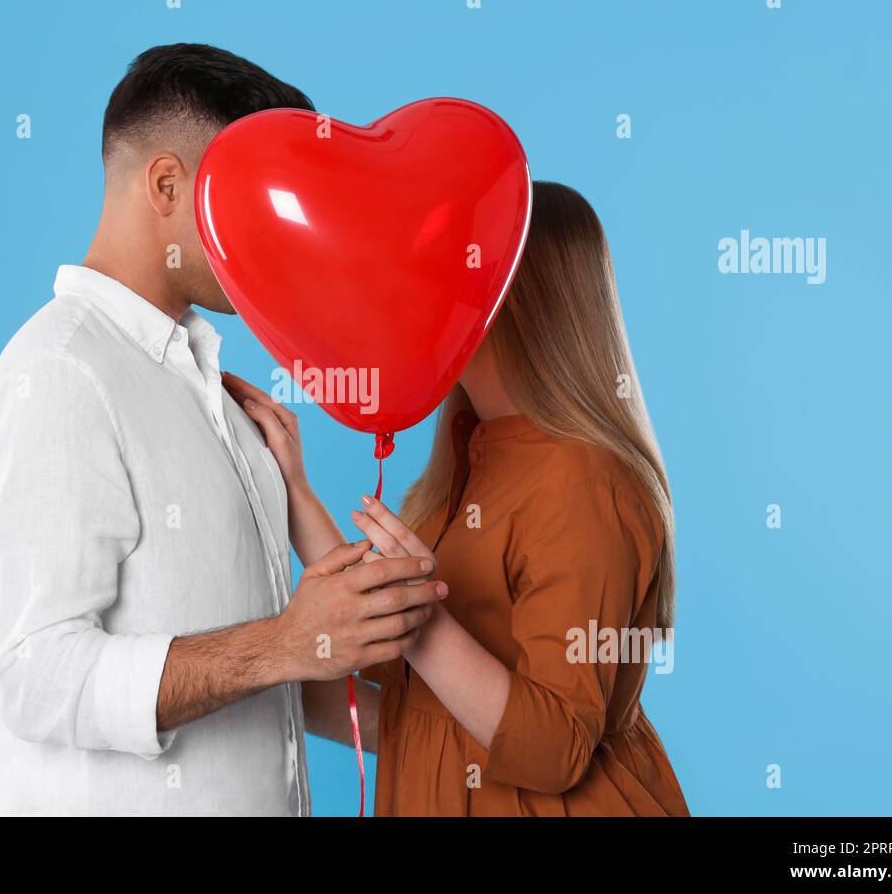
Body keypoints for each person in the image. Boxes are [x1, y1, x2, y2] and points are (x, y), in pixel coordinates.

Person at [0, 44, 445, 816]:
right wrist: (285, 641)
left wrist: (504, 731)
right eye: (250, 199)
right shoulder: (59, 374)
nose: (276, 237)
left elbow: (263, 684)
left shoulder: (223, 402)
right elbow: (34, 674)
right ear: (164, 185)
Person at [228, 180, 690, 815]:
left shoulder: (584, 481)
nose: (421, 299)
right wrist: (293, 494)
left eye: (453, 276)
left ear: (515, 298)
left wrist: (418, 622)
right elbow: (414, 698)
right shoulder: (474, 454)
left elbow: (554, 747)